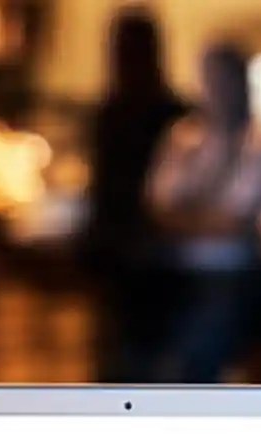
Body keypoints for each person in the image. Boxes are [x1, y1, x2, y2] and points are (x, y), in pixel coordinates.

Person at [145, 44, 261, 383]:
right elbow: (158, 207)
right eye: (209, 78)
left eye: (222, 79)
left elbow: (235, 221)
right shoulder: (183, 136)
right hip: (173, 271)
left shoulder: (259, 141)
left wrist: (187, 213)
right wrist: (203, 216)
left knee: (202, 362)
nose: (214, 88)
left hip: (230, 274)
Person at [84, 9, 187, 383]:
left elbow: (102, 190)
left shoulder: (109, 113)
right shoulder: (176, 113)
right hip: (161, 250)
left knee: (117, 359)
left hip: (117, 249)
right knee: (158, 359)